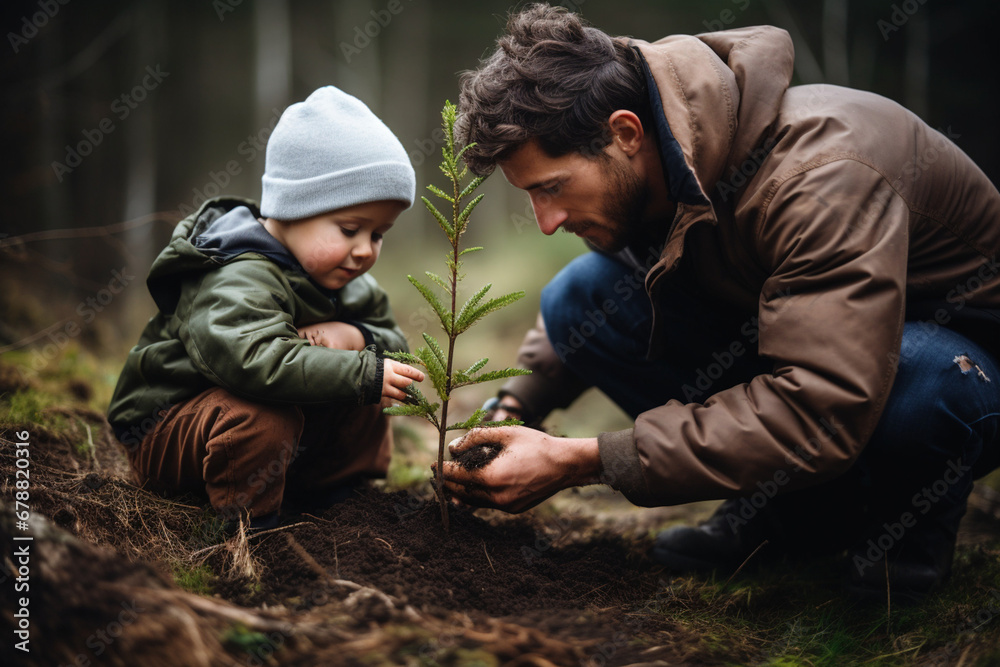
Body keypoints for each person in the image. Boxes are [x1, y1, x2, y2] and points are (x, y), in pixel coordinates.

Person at [444, 4, 1000, 598]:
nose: (546, 222)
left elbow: (823, 404)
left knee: (925, 379)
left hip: (958, 372)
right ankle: (792, 516)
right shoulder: (663, 155)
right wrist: (512, 405)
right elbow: (600, 296)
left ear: (625, 133)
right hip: (808, 349)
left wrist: (585, 460)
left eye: (552, 189)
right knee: (581, 295)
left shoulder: (821, 176)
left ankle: (899, 544)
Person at [107, 86, 425, 530]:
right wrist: (359, 371)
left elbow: (397, 344)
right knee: (265, 412)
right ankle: (248, 529)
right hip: (170, 430)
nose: (364, 251)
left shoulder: (348, 282)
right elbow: (250, 362)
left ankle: (340, 501)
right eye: (350, 228)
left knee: (375, 381)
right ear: (293, 207)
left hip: (263, 435)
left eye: (378, 234)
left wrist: (356, 339)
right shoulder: (236, 272)